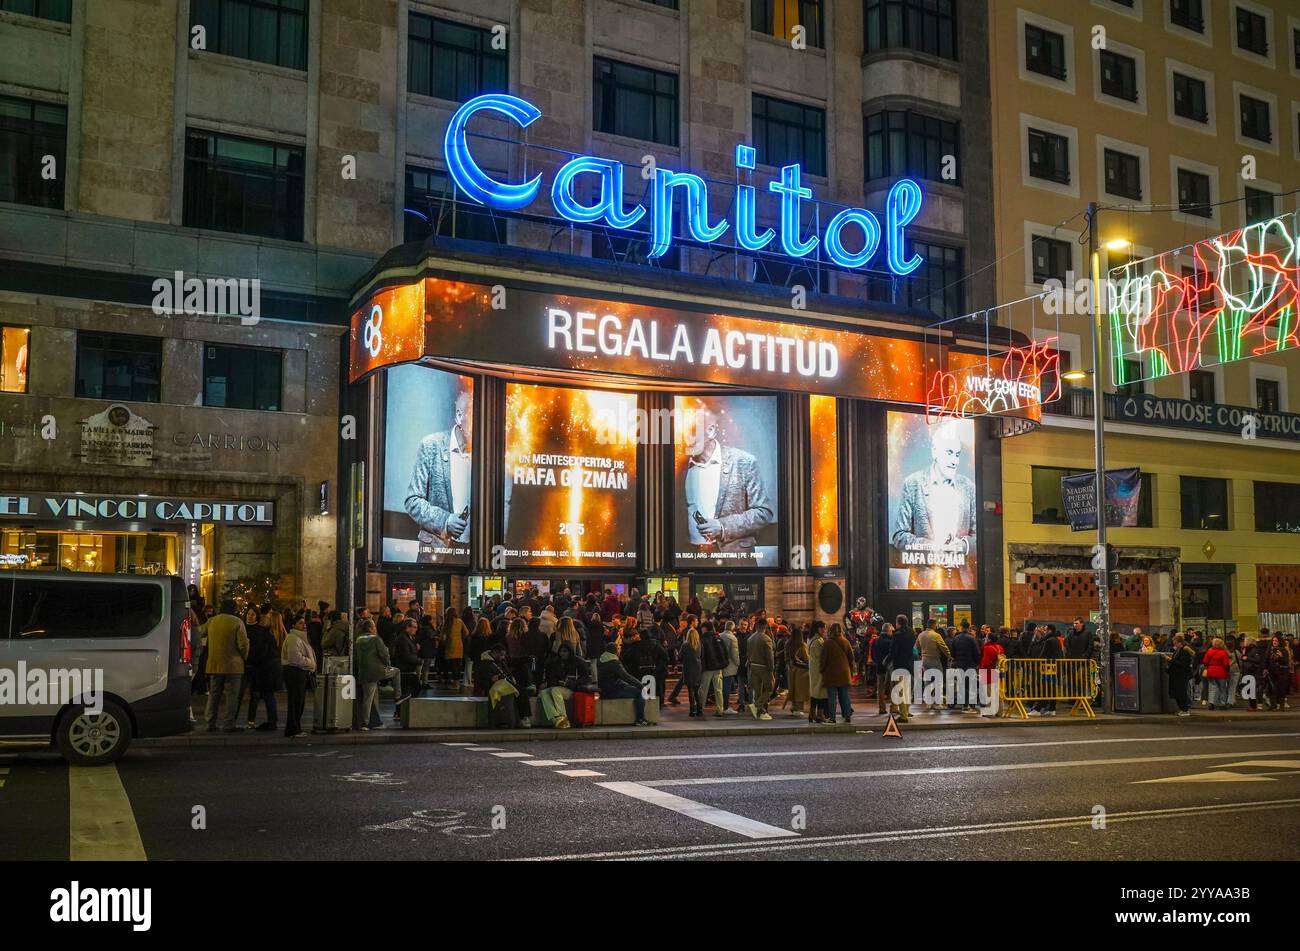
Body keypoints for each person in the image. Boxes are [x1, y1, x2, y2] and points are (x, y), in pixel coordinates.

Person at [204, 600, 250, 732]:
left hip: (214, 664)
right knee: (231, 696)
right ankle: (228, 723)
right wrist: (244, 657)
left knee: (214, 695)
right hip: (233, 665)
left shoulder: (212, 621)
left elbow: (201, 631)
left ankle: (210, 722)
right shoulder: (237, 622)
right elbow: (243, 644)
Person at [596, 638, 651, 726]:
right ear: (615, 651)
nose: (619, 650)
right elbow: (626, 677)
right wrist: (641, 686)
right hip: (613, 692)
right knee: (640, 693)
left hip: (605, 691)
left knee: (633, 689)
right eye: (618, 649)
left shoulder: (601, 660)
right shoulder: (613, 662)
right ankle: (640, 719)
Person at [245, 610, 281, 731]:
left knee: (266, 695)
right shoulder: (270, 635)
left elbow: (260, 653)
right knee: (268, 696)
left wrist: (251, 660)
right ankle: (272, 720)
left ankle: (271, 721)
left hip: (264, 670)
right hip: (270, 669)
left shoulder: (263, 636)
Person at [281, 616, 316, 737]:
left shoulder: (300, 637)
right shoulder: (293, 638)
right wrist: (310, 663)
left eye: (304, 623)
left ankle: (296, 727)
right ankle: (292, 728)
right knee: (295, 701)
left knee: (299, 702)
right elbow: (294, 658)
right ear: (293, 625)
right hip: (295, 672)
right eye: (300, 623)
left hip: (300, 672)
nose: (304, 625)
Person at [353, 619, 391, 731]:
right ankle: (366, 722)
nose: (375, 628)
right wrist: (387, 664)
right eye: (374, 626)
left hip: (362, 672)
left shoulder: (358, 640)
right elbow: (384, 655)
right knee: (369, 698)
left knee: (366, 698)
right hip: (374, 672)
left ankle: (368, 721)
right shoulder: (375, 640)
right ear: (370, 628)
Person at [542, 642, 584, 728]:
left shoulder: (578, 662)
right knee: (544, 693)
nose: (563, 654)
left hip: (573, 689)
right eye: (561, 651)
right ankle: (556, 718)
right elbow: (552, 677)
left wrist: (571, 683)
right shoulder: (556, 662)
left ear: (570, 652)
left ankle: (564, 718)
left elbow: (585, 678)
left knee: (555, 690)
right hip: (560, 687)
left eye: (565, 651)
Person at [821, 623, 855, 724]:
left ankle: (832, 718)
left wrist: (822, 670)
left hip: (831, 673)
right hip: (844, 673)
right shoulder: (846, 642)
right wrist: (850, 670)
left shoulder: (827, 643)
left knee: (831, 697)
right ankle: (847, 716)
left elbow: (823, 660)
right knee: (844, 695)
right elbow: (851, 658)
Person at [917, 625, 952, 712]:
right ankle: (938, 703)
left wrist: (920, 654)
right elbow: (943, 647)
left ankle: (928, 703)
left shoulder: (921, 635)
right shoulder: (936, 635)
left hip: (924, 659)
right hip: (935, 659)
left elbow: (916, 646)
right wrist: (949, 655)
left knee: (927, 681)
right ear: (933, 625)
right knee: (938, 681)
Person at [746, 620, 775, 720]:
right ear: (765, 627)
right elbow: (769, 656)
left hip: (753, 665)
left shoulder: (751, 638)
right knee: (770, 688)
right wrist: (771, 667)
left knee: (757, 690)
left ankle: (760, 712)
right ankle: (757, 705)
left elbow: (748, 653)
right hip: (764, 667)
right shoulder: (766, 639)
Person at [698, 621, 729, 717]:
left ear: (705, 628)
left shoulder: (703, 640)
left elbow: (702, 655)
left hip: (707, 668)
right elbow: (725, 652)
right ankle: (720, 709)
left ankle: (700, 708)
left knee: (703, 689)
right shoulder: (718, 638)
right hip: (718, 668)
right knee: (718, 689)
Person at [392, 617, 422, 709]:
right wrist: (419, 661)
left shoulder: (409, 638)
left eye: (416, 627)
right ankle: (401, 712)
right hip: (404, 670)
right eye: (414, 627)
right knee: (407, 691)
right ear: (407, 627)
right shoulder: (402, 638)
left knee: (411, 690)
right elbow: (406, 656)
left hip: (409, 669)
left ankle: (404, 711)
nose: (416, 629)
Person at [949, 622, 980, 711]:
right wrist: (977, 663)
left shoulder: (956, 638)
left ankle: (964, 705)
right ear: (969, 628)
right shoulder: (972, 639)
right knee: (972, 685)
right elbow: (976, 653)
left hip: (960, 665)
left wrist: (958, 660)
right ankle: (972, 705)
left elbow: (953, 653)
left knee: (962, 685)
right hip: (971, 665)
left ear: (961, 627)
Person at [889, 616, 915, 722]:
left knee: (900, 690)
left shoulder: (897, 635)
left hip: (899, 664)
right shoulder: (911, 633)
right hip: (909, 664)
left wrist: (887, 660)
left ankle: (903, 716)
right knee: (907, 689)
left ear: (898, 623)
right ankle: (907, 711)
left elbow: (893, 651)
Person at [1165, 633, 1195, 716]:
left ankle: (1185, 710)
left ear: (1179, 643)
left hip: (1181, 675)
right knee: (1178, 693)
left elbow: (1182, 664)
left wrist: (1170, 660)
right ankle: (1182, 709)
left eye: (1175, 643)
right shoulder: (1178, 650)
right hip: (1177, 675)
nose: (1174, 644)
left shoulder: (1184, 651)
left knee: (1181, 693)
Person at [784, 626, 810, 717]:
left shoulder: (788, 643)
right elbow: (807, 658)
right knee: (800, 690)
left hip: (791, 669)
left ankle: (794, 707)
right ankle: (798, 709)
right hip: (801, 671)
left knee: (793, 688)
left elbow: (786, 657)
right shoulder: (802, 645)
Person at [1200, 637, 1231, 710]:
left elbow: (1205, 661)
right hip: (1221, 673)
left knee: (1212, 688)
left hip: (1211, 672)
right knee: (1222, 688)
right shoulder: (1224, 653)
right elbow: (1226, 664)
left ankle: (1212, 703)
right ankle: (1222, 704)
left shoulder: (1209, 652)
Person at [870, 623, 894, 716]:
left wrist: (877, 661)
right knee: (892, 687)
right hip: (889, 667)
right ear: (888, 630)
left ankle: (882, 708)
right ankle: (893, 707)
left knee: (880, 688)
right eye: (891, 630)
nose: (892, 632)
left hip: (879, 667)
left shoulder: (875, 641)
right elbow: (892, 654)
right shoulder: (891, 641)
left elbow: (872, 654)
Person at [680, 627, 704, 717]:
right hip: (698, 668)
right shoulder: (699, 644)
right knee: (697, 690)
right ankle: (700, 710)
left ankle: (692, 710)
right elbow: (702, 656)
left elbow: (679, 657)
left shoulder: (685, 645)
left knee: (690, 691)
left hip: (688, 668)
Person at [441, 607, 467, 690]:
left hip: (450, 645)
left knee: (452, 665)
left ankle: (456, 683)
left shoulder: (447, 622)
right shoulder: (460, 621)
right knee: (457, 665)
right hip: (459, 645)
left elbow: (443, 635)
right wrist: (460, 638)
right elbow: (466, 632)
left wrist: (443, 641)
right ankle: (457, 682)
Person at [808, 620, 828, 723]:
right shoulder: (818, 641)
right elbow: (822, 657)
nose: (825, 630)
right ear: (819, 629)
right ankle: (820, 714)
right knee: (821, 693)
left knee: (814, 692)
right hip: (819, 670)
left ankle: (812, 713)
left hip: (813, 669)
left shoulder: (811, 639)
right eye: (824, 628)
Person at [1267, 635, 1292, 711]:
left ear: (1280, 642)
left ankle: (1281, 706)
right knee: (1271, 689)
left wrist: (1281, 656)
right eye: (1273, 641)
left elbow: (1286, 662)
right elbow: (1267, 659)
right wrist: (1265, 668)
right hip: (1272, 672)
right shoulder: (1270, 649)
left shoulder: (1284, 650)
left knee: (1281, 689)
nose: (1274, 642)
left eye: (1276, 641)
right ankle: (1273, 705)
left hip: (1281, 672)